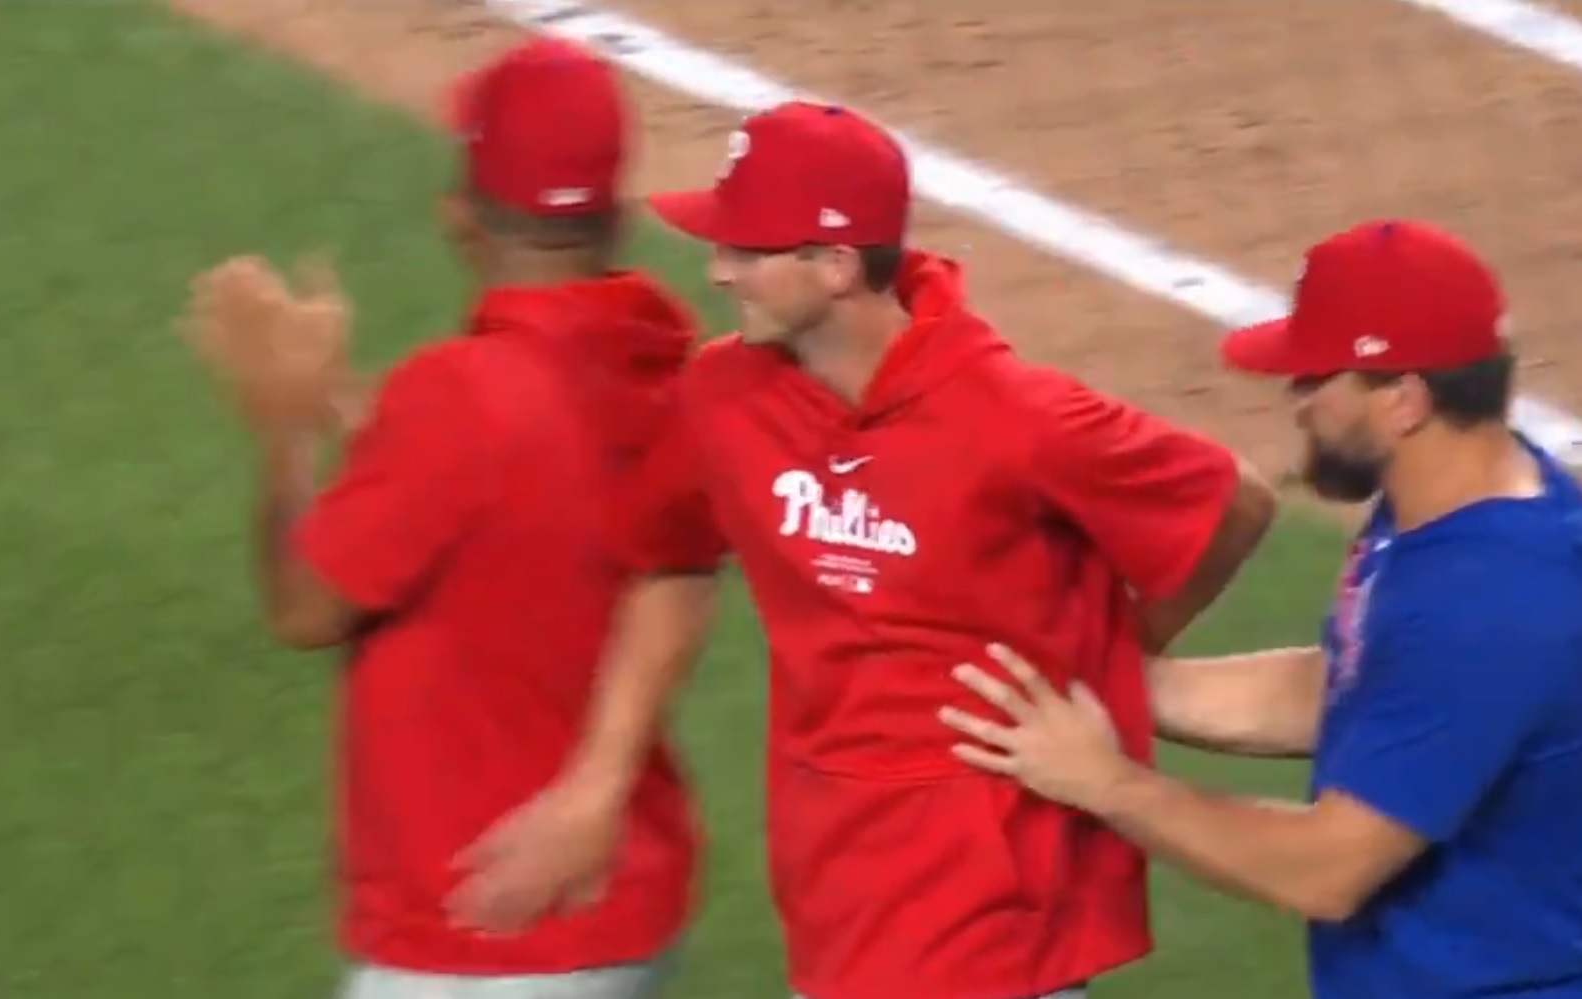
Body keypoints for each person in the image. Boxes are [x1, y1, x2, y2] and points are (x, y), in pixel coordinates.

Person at [452, 100, 1279, 999]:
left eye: (745, 249)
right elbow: (669, 555)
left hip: (994, 901)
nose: (718, 270)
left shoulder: (1013, 415)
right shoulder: (722, 400)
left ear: (835, 265)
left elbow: (1228, 500)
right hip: (835, 883)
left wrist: (1114, 649)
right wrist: (597, 779)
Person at [184, 37, 706, 999]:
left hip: (481, 931)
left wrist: (285, 434)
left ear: (459, 216)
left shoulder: (457, 400)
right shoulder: (662, 358)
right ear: (617, 217)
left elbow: (305, 605)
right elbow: (532, 477)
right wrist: (350, 409)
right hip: (622, 901)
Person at [941, 219, 1582, 999]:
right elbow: (1356, 689)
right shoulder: (1452, 499)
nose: (1296, 399)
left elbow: (1326, 868)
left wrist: (1108, 783)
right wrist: (1120, 682)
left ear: (1403, 400)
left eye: (1317, 378)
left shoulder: (1489, 600)